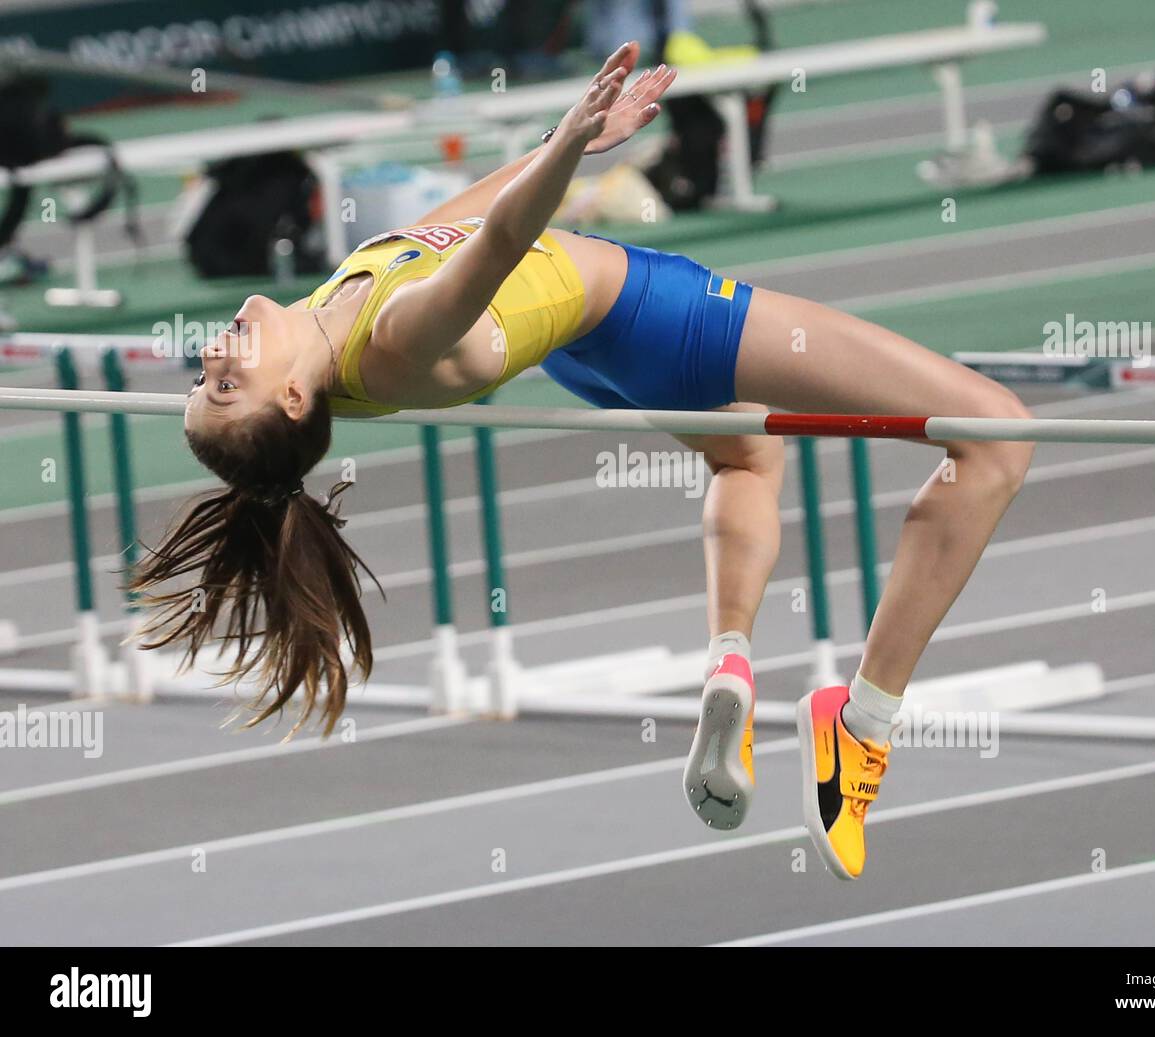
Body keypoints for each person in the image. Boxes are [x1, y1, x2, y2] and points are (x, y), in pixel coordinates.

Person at [133, 42, 1033, 881]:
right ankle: (863, 728)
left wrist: (571, 143)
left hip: (584, 341)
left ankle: (730, 663)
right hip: (656, 316)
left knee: (748, 456)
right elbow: (495, 246)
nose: (211, 356)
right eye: (221, 386)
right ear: (290, 401)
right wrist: (567, 147)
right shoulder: (395, 343)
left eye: (202, 377)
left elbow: (465, 217)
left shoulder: (331, 309)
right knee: (994, 434)